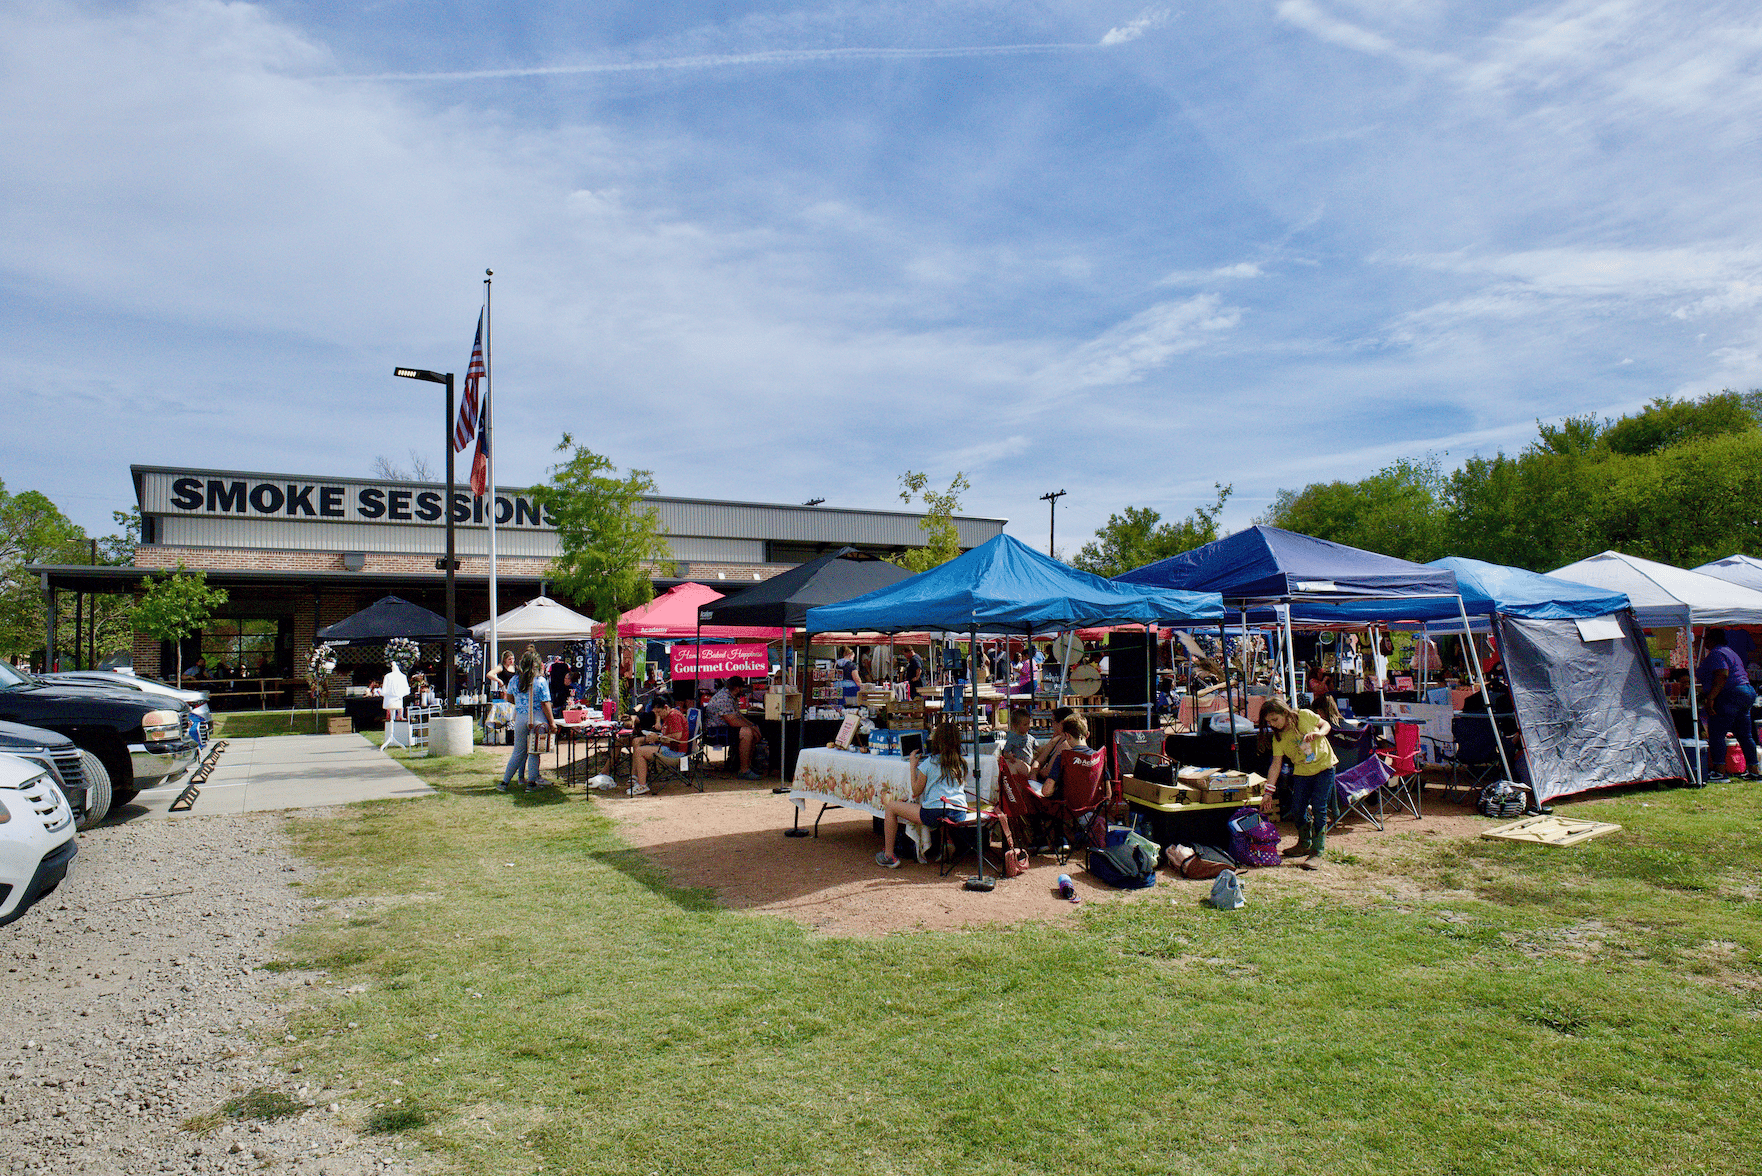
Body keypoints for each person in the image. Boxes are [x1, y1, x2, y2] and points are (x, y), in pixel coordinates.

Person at [876, 722, 969, 868]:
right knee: (944, 811)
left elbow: (916, 791)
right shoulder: (961, 763)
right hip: (959, 812)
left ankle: (888, 855)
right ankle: (948, 842)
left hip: (933, 813)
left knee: (891, 807)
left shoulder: (929, 763)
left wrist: (913, 766)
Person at [1260, 698, 1336, 869]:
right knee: (1297, 808)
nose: (1273, 724)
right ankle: (1304, 843)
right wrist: (1268, 793)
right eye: (1269, 722)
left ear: (1285, 713)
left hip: (1324, 768)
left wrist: (1320, 733)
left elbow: (1326, 725)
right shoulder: (1278, 738)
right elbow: (1275, 765)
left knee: (1319, 807)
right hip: (1302, 772)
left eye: (1275, 719)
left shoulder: (1305, 715)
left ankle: (1317, 852)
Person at [1698, 628, 1760, 784]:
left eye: (1705, 639)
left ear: (1711, 640)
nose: (1704, 642)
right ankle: (1754, 771)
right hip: (1746, 692)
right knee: (1745, 735)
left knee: (1717, 732)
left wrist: (1711, 698)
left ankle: (1719, 771)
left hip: (1731, 694)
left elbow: (1722, 674)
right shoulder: (1730, 651)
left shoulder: (1717, 653)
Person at [500, 650, 554, 793]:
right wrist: (552, 723)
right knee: (534, 752)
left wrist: (520, 702)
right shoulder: (540, 681)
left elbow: (510, 698)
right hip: (537, 718)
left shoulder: (514, 680)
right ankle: (531, 783)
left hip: (521, 718)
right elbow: (545, 703)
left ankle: (504, 782)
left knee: (518, 752)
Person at [628, 697, 689, 796]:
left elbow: (677, 736)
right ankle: (636, 778)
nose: (658, 715)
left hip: (675, 751)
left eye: (659, 712)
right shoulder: (668, 715)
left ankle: (642, 784)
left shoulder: (674, 716)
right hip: (668, 747)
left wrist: (658, 738)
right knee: (639, 744)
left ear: (665, 707)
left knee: (639, 751)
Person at [705, 675, 762, 780]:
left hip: (724, 728)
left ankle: (747, 765)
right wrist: (751, 728)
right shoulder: (724, 698)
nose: (743, 690)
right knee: (746, 733)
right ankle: (744, 770)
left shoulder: (731, 696)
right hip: (717, 731)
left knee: (750, 731)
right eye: (742, 688)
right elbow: (733, 721)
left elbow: (738, 716)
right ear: (737, 688)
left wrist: (753, 725)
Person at [1000, 707, 1037, 773]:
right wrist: (1009, 756)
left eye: (1029, 724)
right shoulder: (1012, 739)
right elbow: (1005, 752)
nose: (1028, 726)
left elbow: (1039, 749)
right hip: (1018, 764)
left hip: (1029, 765)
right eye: (1025, 725)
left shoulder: (1031, 738)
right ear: (1015, 726)